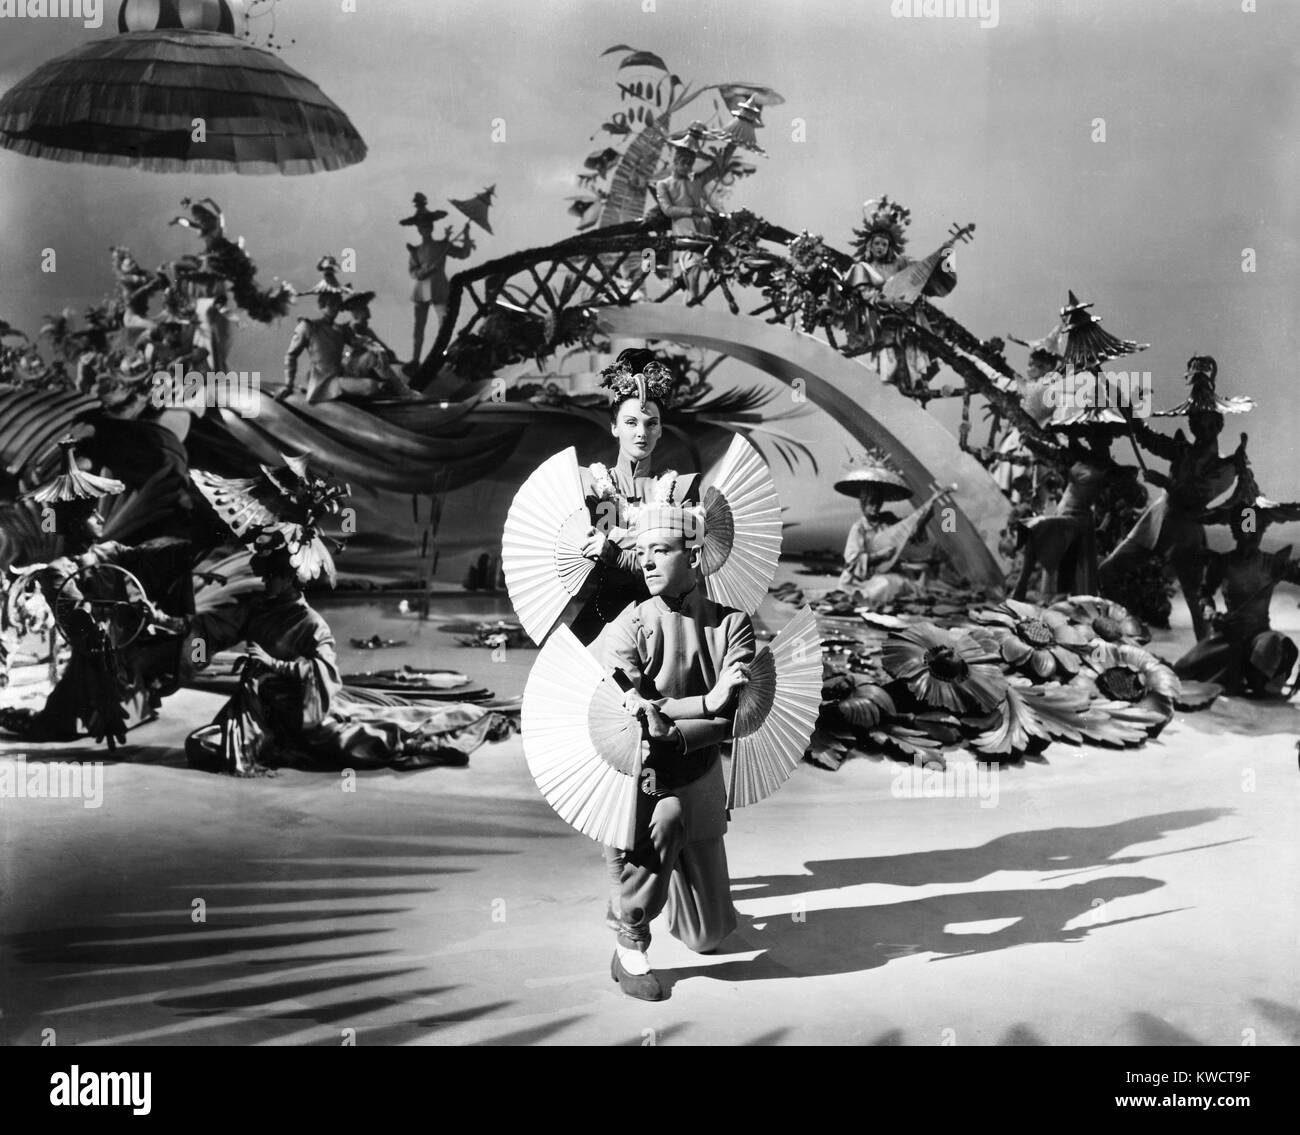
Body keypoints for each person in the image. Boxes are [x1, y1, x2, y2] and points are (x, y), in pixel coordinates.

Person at [183, 528, 511, 775]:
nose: (264, 580)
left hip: (304, 712)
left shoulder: (311, 624)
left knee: (348, 745)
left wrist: (274, 664)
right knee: (201, 746)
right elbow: (217, 627)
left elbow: (323, 675)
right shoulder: (258, 609)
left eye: (272, 575)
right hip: (256, 711)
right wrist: (174, 623)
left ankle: (413, 738)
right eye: (265, 574)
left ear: (290, 578)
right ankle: (269, 741)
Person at [602, 499, 755, 1000]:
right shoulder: (626, 626)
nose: (646, 562)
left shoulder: (733, 626)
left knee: (708, 937)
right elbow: (638, 717)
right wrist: (708, 701)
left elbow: (736, 719)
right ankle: (630, 939)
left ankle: (643, 891)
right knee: (665, 820)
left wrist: (678, 720)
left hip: (702, 774)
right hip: (644, 776)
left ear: (692, 557)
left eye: (660, 550)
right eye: (641, 552)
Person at [0, 440, 188, 749]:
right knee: (66, 719)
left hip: (120, 650)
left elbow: (146, 557)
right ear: (74, 524)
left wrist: (185, 548)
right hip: (93, 659)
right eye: (92, 514)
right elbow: (79, 623)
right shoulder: (57, 570)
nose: (101, 518)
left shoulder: (108, 552)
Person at [1099, 358, 1248, 640]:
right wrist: (1130, 413)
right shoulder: (1182, 450)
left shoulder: (1225, 467)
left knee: (1195, 600)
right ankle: (1129, 631)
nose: (1200, 431)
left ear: (1217, 426)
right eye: (1196, 425)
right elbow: (1148, 439)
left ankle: (1206, 657)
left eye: (1206, 426)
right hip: (1155, 521)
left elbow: (1195, 496)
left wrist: (1164, 481)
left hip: (1186, 532)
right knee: (1108, 571)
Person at [1172, 454, 1300, 697]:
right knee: (1182, 672)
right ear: (1234, 532)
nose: (1250, 539)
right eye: (1245, 533)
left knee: (1274, 645)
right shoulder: (1222, 563)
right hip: (1228, 635)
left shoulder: (1272, 564)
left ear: (1262, 532)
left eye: (1255, 533)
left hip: (1260, 636)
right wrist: (1212, 615)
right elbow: (1204, 594)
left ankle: (1263, 682)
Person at [1014, 421, 1138, 600]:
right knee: (1036, 533)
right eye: (1093, 437)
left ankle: (1021, 585)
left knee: (1035, 527)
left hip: (1078, 519)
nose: (1096, 442)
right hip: (1062, 513)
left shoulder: (1111, 469)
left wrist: (1131, 488)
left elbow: (1129, 498)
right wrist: (1031, 442)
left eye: (1100, 438)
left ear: (1109, 441)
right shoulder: (1081, 454)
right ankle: (1026, 587)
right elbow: (1053, 452)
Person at [834, 452, 945, 609]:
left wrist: (925, 514)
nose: (875, 507)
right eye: (871, 503)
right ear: (863, 503)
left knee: (904, 583)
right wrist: (880, 555)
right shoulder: (858, 528)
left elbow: (908, 530)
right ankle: (866, 599)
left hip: (883, 574)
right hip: (859, 581)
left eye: (878, 503)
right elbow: (852, 561)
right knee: (885, 584)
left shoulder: (887, 520)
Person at [403, 193, 474, 365]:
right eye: (421, 225)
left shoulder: (443, 245)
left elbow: (463, 254)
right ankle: (415, 359)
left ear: (432, 225)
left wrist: (465, 234)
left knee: (445, 324)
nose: (425, 227)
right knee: (419, 327)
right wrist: (424, 271)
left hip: (440, 288)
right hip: (421, 290)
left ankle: (442, 357)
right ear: (418, 228)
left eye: (427, 223)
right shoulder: (416, 250)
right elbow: (413, 272)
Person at [651, 123, 719, 301]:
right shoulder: (663, 184)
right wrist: (692, 210)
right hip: (684, 227)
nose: (686, 167)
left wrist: (728, 148)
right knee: (692, 269)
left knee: (700, 267)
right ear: (675, 162)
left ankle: (692, 301)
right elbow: (667, 210)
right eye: (683, 163)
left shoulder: (695, 181)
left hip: (703, 227)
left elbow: (715, 169)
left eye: (689, 163)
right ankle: (691, 301)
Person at [280, 257, 351, 404]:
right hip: (321, 383)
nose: (334, 307)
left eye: (337, 303)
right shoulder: (308, 327)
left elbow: (360, 344)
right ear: (321, 304)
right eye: (330, 303)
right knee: (370, 386)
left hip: (339, 379)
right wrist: (288, 385)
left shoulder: (342, 330)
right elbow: (291, 355)